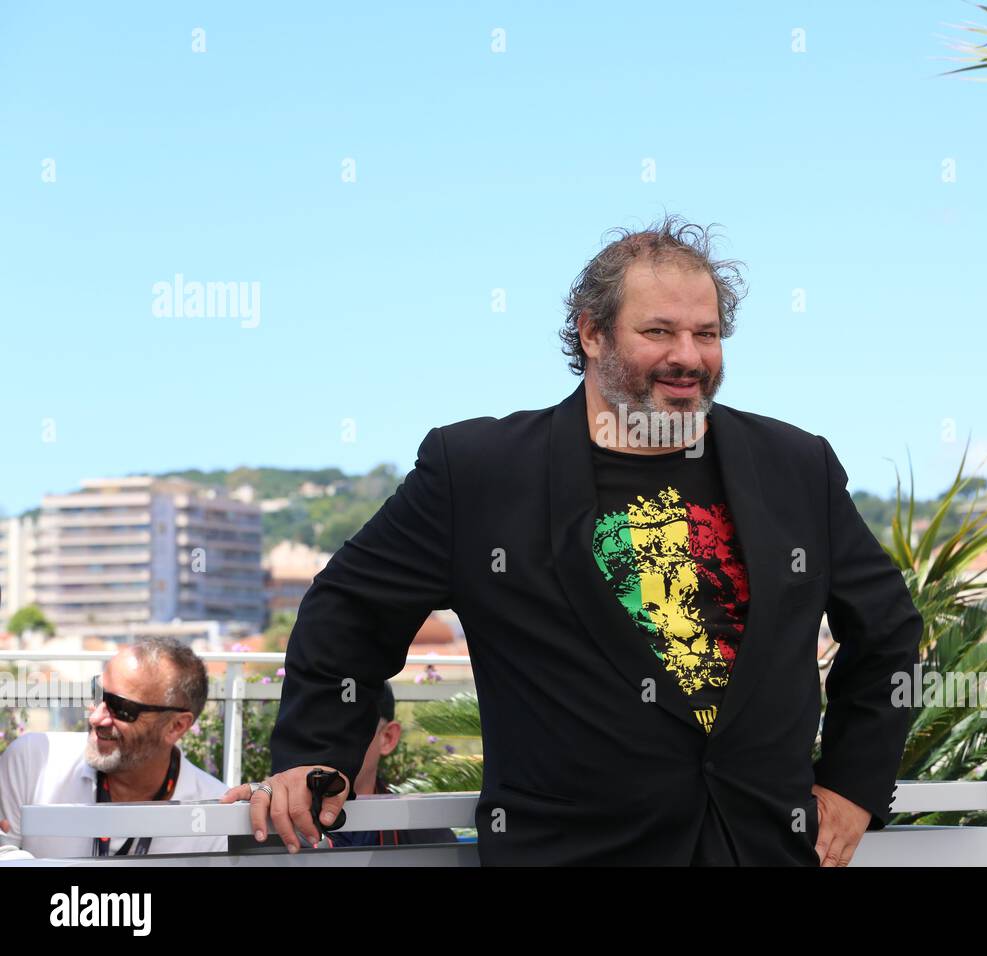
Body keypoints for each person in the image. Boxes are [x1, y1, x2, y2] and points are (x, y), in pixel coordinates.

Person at [222, 214, 923, 866]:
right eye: (660, 332)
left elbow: (888, 632)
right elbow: (348, 611)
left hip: (762, 851)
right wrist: (316, 757)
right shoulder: (478, 472)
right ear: (592, 333)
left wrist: (856, 785)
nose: (689, 357)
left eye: (706, 334)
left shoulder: (794, 465)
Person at [0, 638, 229, 858]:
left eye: (121, 708)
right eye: (98, 694)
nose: (96, 718)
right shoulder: (32, 762)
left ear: (176, 727)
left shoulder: (218, 815)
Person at [323, 681, 458, 848]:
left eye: (350, 727)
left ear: (387, 738)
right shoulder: (284, 829)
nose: (331, 739)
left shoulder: (425, 833)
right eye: (318, 725)